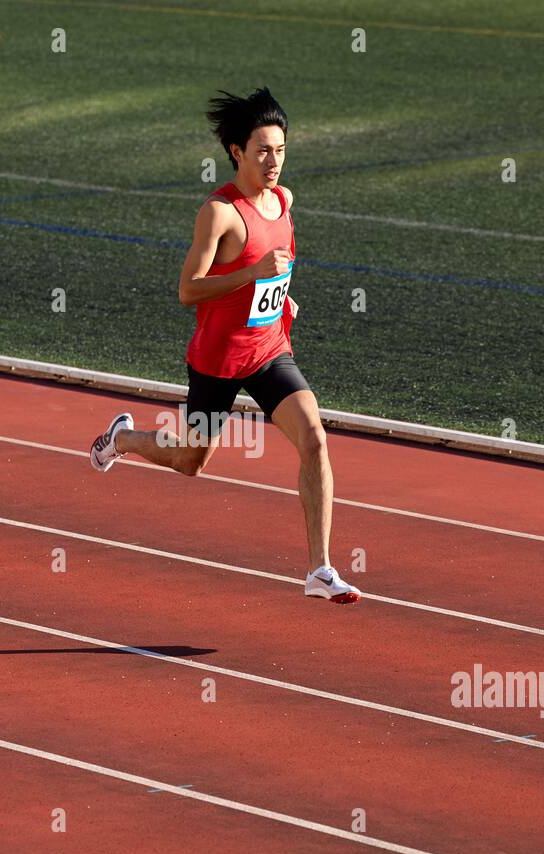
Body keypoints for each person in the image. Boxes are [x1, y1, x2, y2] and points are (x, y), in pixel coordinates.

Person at [89, 87, 360, 604]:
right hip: (217, 359)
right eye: (262, 149)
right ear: (237, 151)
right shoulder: (219, 213)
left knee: (315, 439)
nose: (273, 160)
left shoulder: (284, 201)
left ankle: (319, 569)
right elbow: (188, 289)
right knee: (192, 460)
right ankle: (123, 439)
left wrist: (283, 298)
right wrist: (250, 274)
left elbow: (275, 269)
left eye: (280, 149)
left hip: (268, 351)